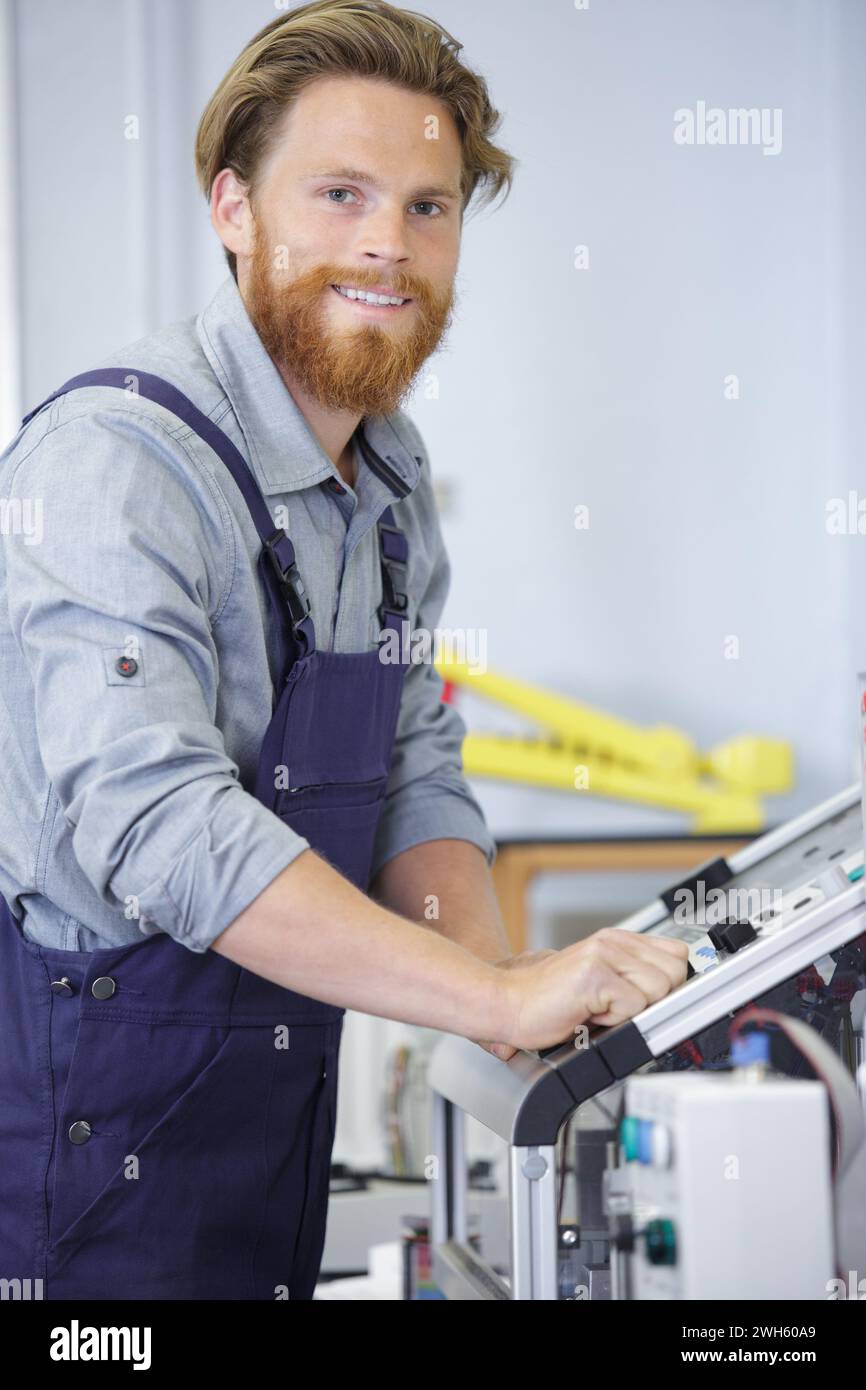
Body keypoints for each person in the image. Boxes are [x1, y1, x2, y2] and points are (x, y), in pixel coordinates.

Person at [0, 0, 687, 1301]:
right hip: (69, 1184)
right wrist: (488, 1003)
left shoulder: (386, 473)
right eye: (339, 192)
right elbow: (160, 826)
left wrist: (505, 997)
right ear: (232, 209)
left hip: (263, 1148)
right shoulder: (113, 465)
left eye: (429, 208)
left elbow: (413, 768)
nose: (388, 243)